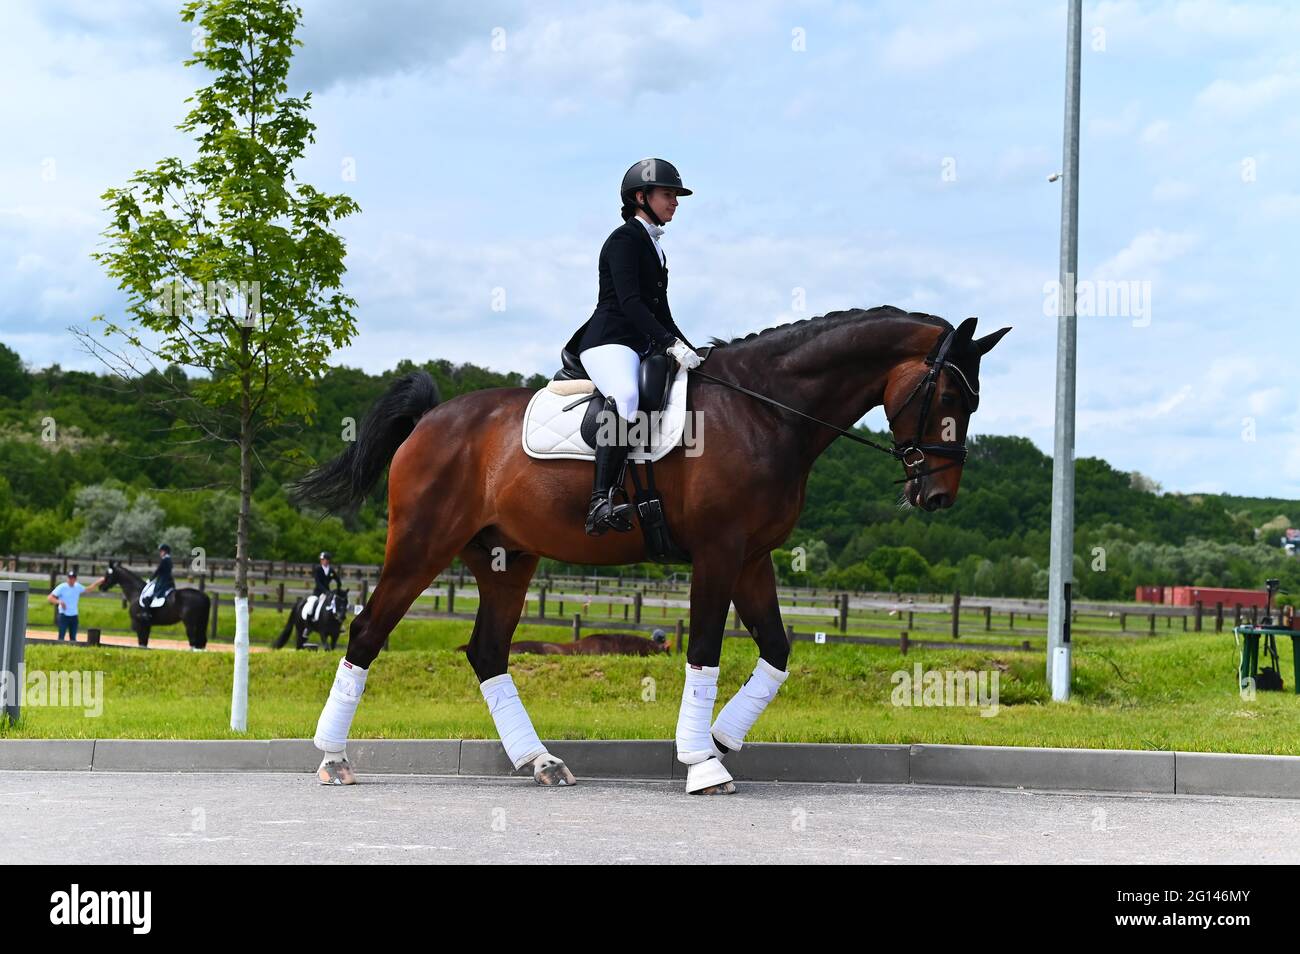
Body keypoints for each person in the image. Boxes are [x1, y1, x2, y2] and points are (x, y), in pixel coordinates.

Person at [563, 158, 704, 536]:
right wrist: (668, 344)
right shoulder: (624, 240)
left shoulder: (656, 248)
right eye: (668, 194)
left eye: (676, 196)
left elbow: (662, 311)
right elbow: (631, 304)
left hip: (640, 341)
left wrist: (690, 350)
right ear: (641, 197)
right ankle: (599, 501)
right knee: (626, 396)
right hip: (608, 340)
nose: (675, 202)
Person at [47, 569, 102, 642]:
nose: (70, 580)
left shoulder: (77, 587)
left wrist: (98, 582)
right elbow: (50, 598)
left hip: (74, 615)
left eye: (72, 578)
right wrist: (59, 602)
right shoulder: (62, 587)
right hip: (63, 615)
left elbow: (88, 589)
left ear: (75, 579)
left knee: (73, 638)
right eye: (69, 578)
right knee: (61, 636)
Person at [139, 543, 175, 623]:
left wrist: (150, 579)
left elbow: (158, 571)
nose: (160, 553)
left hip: (162, 582)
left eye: (161, 551)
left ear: (165, 552)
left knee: (148, 595)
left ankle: (146, 613)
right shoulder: (169, 560)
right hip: (169, 581)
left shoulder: (165, 560)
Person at [303, 551, 341, 622]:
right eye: (321, 560)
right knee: (312, 605)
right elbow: (318, 583)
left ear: (328, 560)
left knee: (335, 606)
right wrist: (325, 591)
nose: (322, 561)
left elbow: (338, 580)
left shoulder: (331, 570)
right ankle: (310, 620)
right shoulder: (318, 569)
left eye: (324, 559)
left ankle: (337, 622)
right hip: (318, 592)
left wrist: (338, 589)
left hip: (328, 593)